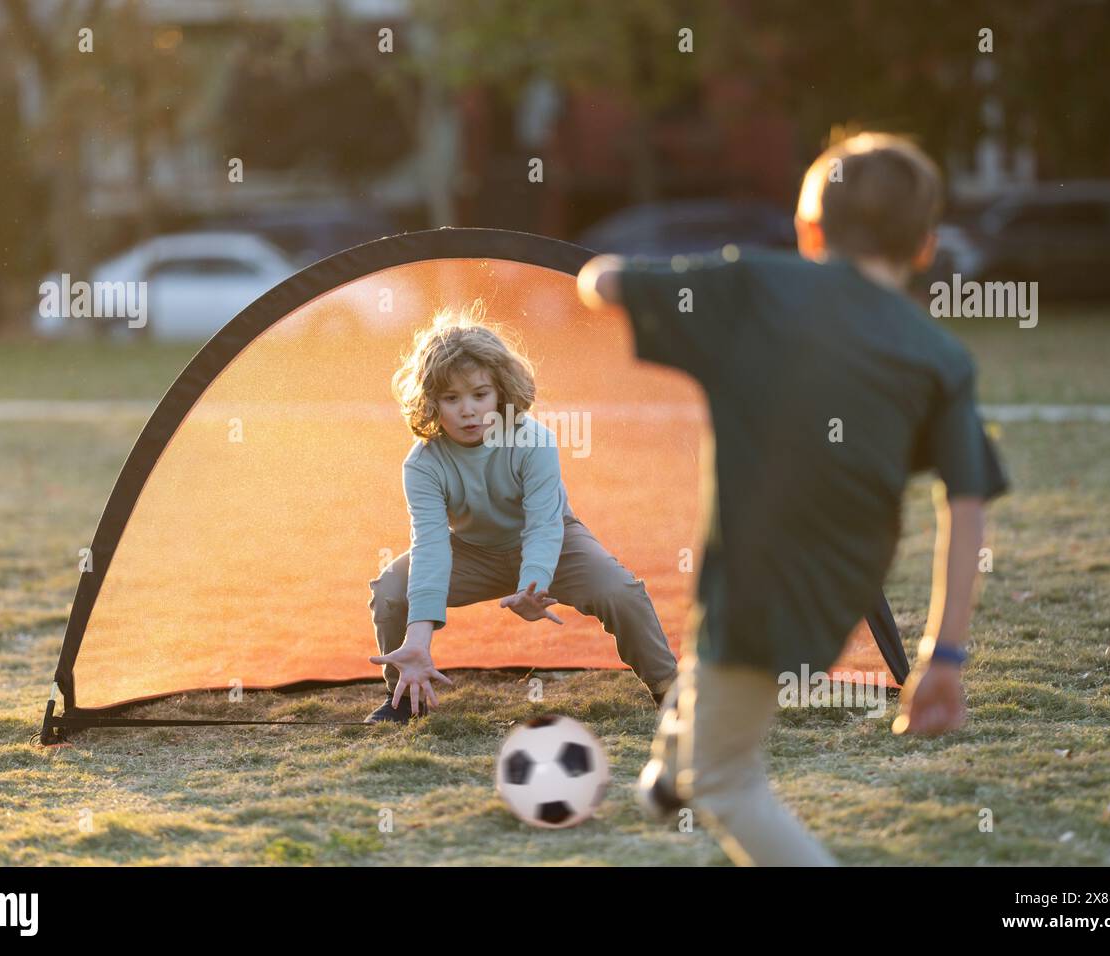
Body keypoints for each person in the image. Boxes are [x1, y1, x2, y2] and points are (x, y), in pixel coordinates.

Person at [576, 132, 1009, 865]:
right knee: (707, 661)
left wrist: (610, 273)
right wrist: (946, 654)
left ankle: (689, 775)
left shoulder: (753, 286)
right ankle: (667, 778)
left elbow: (600, 283)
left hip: (758, 587)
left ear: (808, 231)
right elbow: (966, 508)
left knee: (729, 780)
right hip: (838, 596)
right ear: (926, 246)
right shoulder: (940, 353)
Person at [364, 299, 679, 724]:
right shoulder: (422, 463)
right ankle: (405, 695)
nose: (468, 409)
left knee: (620, 591)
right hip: (472, 552)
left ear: (501, 391)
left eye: (479, 394)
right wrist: (419, 636)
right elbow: (432, 546)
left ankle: (669, 689)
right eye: (451, 398)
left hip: (553, 543)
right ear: (431, 403)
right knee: (389, 589)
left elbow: (545, 524)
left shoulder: (534, 441)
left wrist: (534, 583)